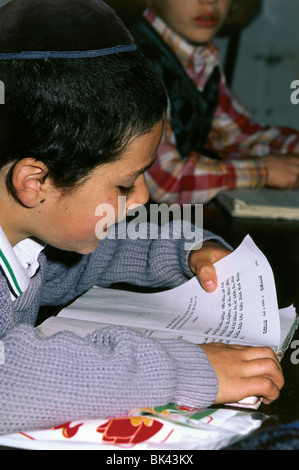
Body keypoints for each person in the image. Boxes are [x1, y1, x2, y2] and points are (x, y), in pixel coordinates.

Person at [0, 0, 284, 436]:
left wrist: (186, 251)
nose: (143, 196)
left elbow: (94, 255)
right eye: (124, 184)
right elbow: (12, 379)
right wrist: (190, 368)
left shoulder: (25, 240)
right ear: (34, 182)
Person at [133, 0, 299, 204]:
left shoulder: (200, 59)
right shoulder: (132, 64)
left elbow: (239, 135)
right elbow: (166, 182)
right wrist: (264, 170)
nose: (210, 1)